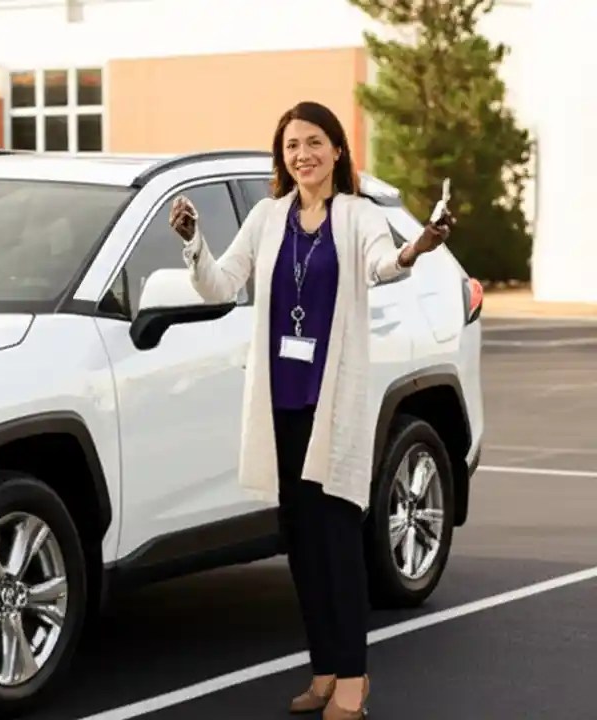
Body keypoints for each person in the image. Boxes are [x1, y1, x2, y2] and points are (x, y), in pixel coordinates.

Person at [167, 101, 454, 719]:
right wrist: (195, 242)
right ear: (283, 156)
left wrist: (416, 249)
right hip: (280, 406)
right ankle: (324, 670)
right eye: (293, 145)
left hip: (333, 407)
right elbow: (221, 284)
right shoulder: (269, 218)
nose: (303, 154)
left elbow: (383, 266)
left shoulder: (358, 215)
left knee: (338, 545)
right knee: (300, 545)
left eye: (315, 142)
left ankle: (353, 679)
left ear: (337, 151)